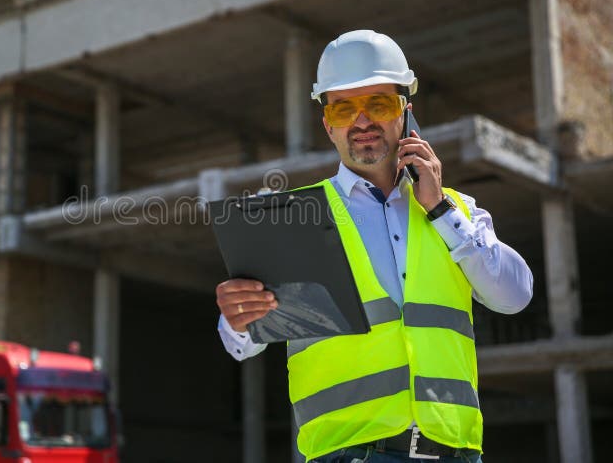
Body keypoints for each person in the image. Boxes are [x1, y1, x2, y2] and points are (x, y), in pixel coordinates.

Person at [215, 30, 533, 462]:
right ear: (328, 124)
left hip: (456, 453)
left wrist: (439, 209)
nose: (362, 122)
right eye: (344, 109)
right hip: (349, 455)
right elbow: (242, 344)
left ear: (405, 113)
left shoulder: (455, 211)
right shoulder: (292, 215)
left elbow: (515, 297)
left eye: (379, 105)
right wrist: (237, 317)